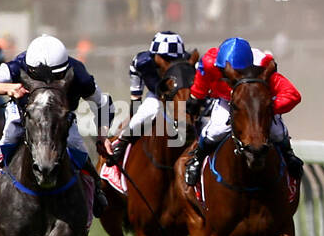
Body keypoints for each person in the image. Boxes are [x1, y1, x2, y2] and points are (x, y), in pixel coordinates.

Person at [0, 34, 112, 215]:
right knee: (9, 138)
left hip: (59, 118)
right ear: (30, 70)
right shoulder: (18, 66)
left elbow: (102, 102)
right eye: (41, 78)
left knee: (77, 147)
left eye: (55, 77)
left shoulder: (77, 71)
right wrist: (7, 88)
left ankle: (95, 189)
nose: (47, 84)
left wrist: (103, 136)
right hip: (25, 114)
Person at [182, 36, 303, 188]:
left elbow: (292, 95)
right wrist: (195, 96)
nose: (228, 78)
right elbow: (203, 78)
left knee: (277, 131)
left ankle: (289, 155)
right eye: (224, 74)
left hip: (259, 105)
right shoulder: (210, 63)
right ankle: (197, 159)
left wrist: (265, 109)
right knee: (216, 129)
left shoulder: (263, 69)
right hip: (228, 101)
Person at [108, 30, 189, 164]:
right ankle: (121, 145)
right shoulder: (141, 63)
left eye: (174, 60)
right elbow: (136, 98)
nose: (169, 65)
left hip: (181, 97)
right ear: (154, 56)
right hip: (156, 96)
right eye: (165, 59)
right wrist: (132, 118)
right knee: (148, 111)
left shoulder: (189, 64)